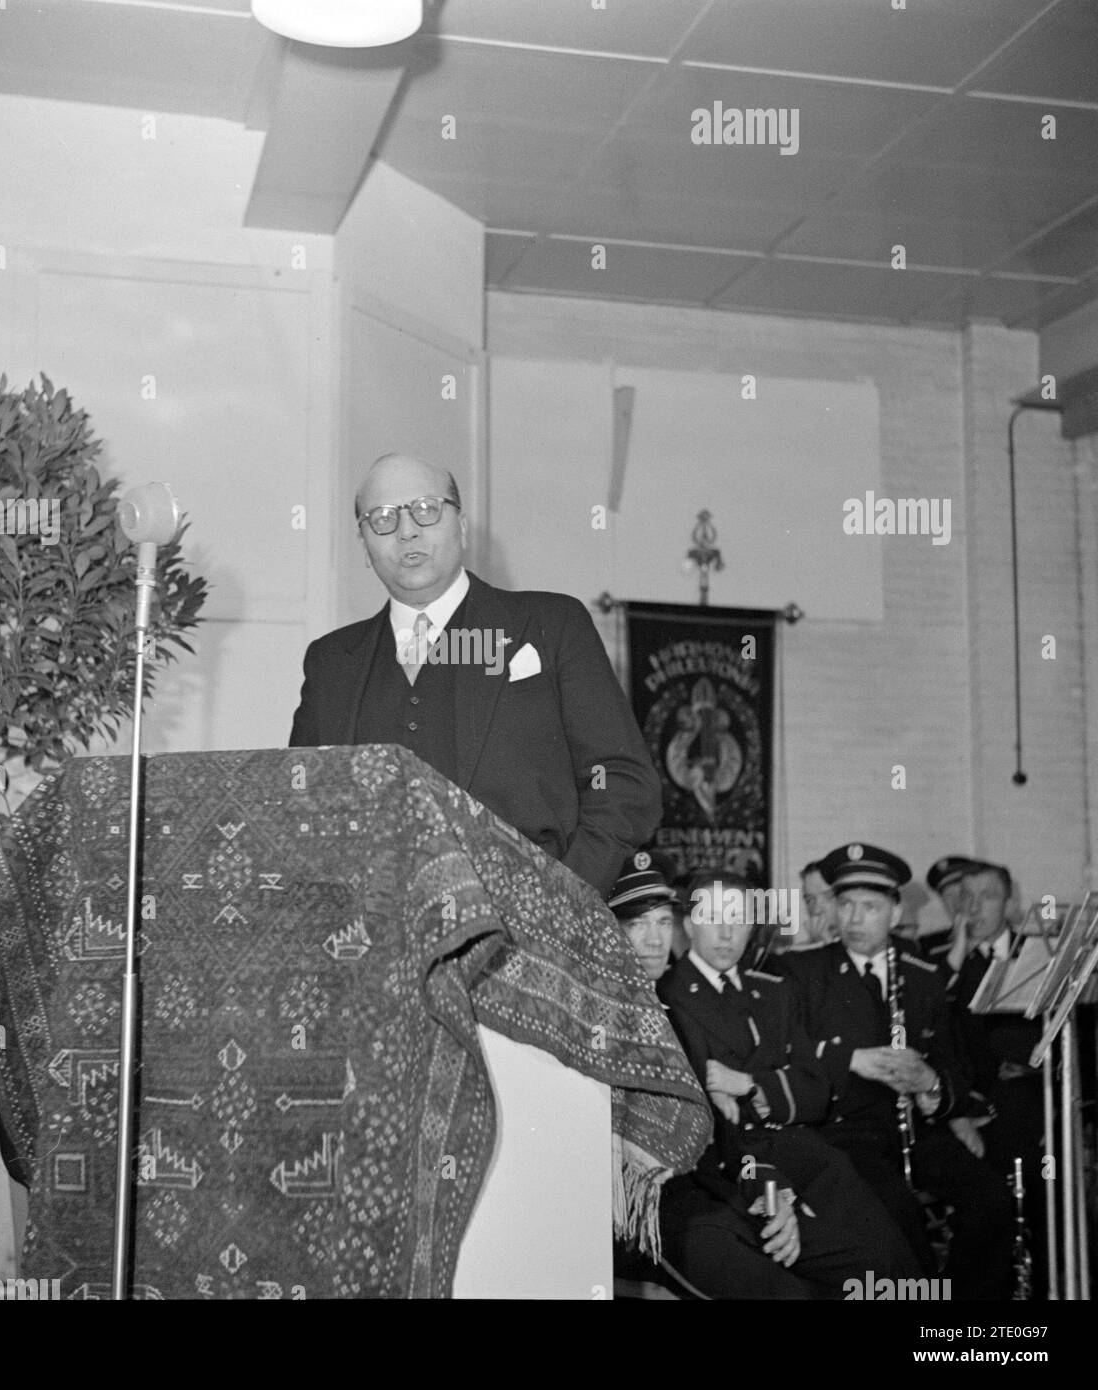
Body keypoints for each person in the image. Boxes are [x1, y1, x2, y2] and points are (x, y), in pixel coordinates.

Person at [288, 453, 661, 897]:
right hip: (377, 941)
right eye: (383, 518)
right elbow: (302, 806)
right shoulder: (332, 662)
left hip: (533, 931)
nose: (407, 530)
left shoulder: (551, 624)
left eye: (426, 509)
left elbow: (623, 782)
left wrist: (563, 900)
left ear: (461, 526)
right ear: (364, 543)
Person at [610, 855, 915, 1299]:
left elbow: (817, 1089)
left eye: (737, 918)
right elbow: (714, 1130)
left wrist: (749, 1084)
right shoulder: (671, 999)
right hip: (731, 1172)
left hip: (798, 1154)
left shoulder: (772, 990)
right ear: (690, 926)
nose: (726, 931)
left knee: (889, 1269)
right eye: (712, 918)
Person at [783, 842, 1015, 1299]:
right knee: (901, 1226)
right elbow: (782, 1052)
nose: (853, 918)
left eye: (869, 907)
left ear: (894, 912)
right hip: (842, 1134)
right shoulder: (801, 971)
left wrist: (931, 1085)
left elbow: (954, 1067)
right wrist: (851, 1058)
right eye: (845, 904)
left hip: (916, 1131)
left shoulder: (923, 973)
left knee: (992, 1202)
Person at [942, 858, 1047, 1297]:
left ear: (1010, 903)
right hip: (966, 1106)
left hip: (1029, 1099)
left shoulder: (1039, 957)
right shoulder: (944, 963)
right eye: (966, 897)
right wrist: (955, 956)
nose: (975, 907)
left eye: (987, 896)